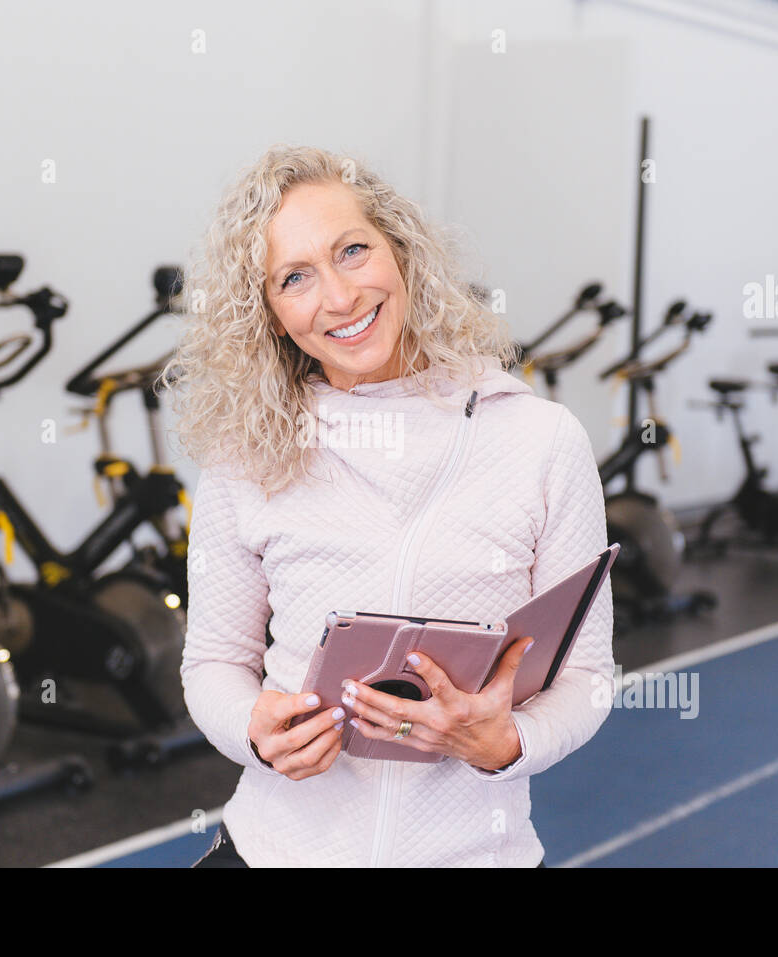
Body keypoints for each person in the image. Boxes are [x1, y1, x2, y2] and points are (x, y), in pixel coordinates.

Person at [163, 144, 614, 867]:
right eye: (296, 277)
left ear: (401, 253)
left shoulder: (540, 440)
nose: (339, 297)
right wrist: (255, 727)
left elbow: (589, 679)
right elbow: (215, 661)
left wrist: (506, 743)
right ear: (272, 314)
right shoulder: (246, 455)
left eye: (352, 251)